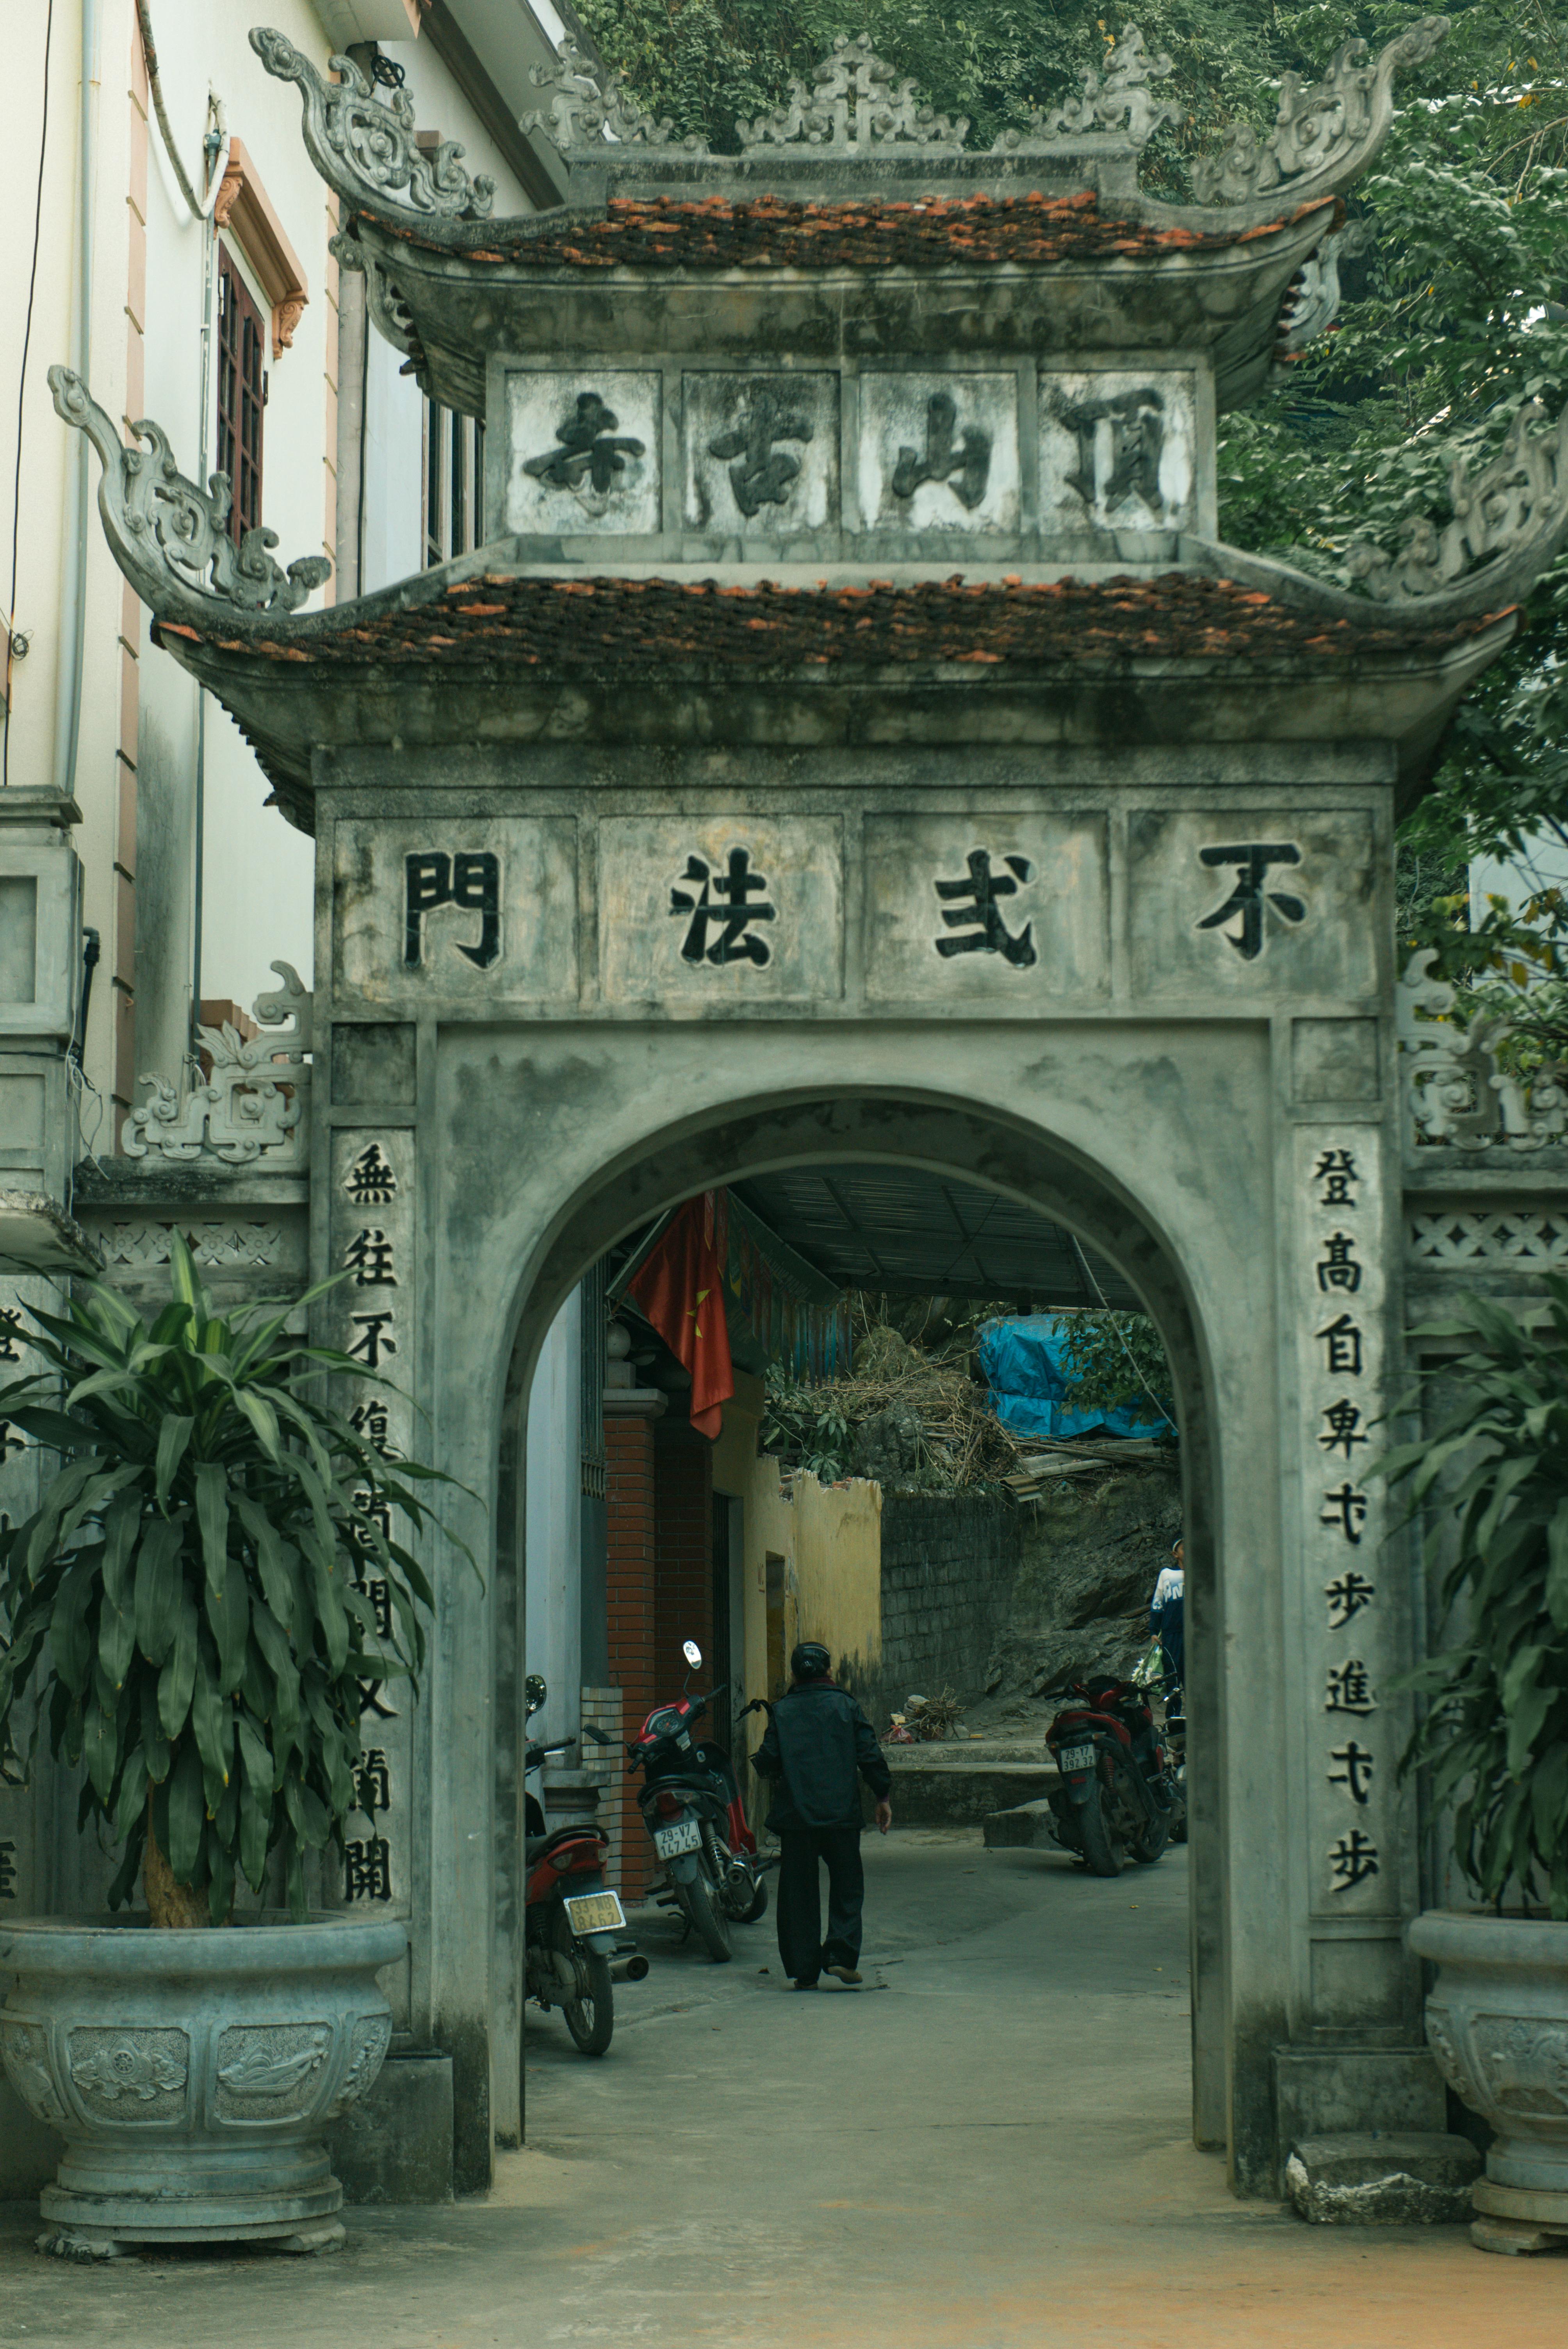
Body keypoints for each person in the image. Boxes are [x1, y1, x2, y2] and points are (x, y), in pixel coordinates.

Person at [752, 1641, 892, 1991]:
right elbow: (869, 1754)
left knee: (798, 1893)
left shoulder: (782, 1712)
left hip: (797, 1819)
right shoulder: (847, 1707)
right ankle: (840, 1957)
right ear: (829, 1671)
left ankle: (804, 1970)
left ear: (795, 1674)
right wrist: (882, 1795)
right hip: (841, 1815)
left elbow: (767, 1759)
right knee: (847, 1885)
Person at [1151, 1537, 1185, 1697]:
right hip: (1172, 1633)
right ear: (1175, 1554)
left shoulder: (1202, 1575)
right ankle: (1172, 1717)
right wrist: (1154, 1631)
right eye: (1184, 1549)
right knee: (1173, 1677)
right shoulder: (1167, 1574)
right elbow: (1158, 1602)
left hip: (1197, 1633)